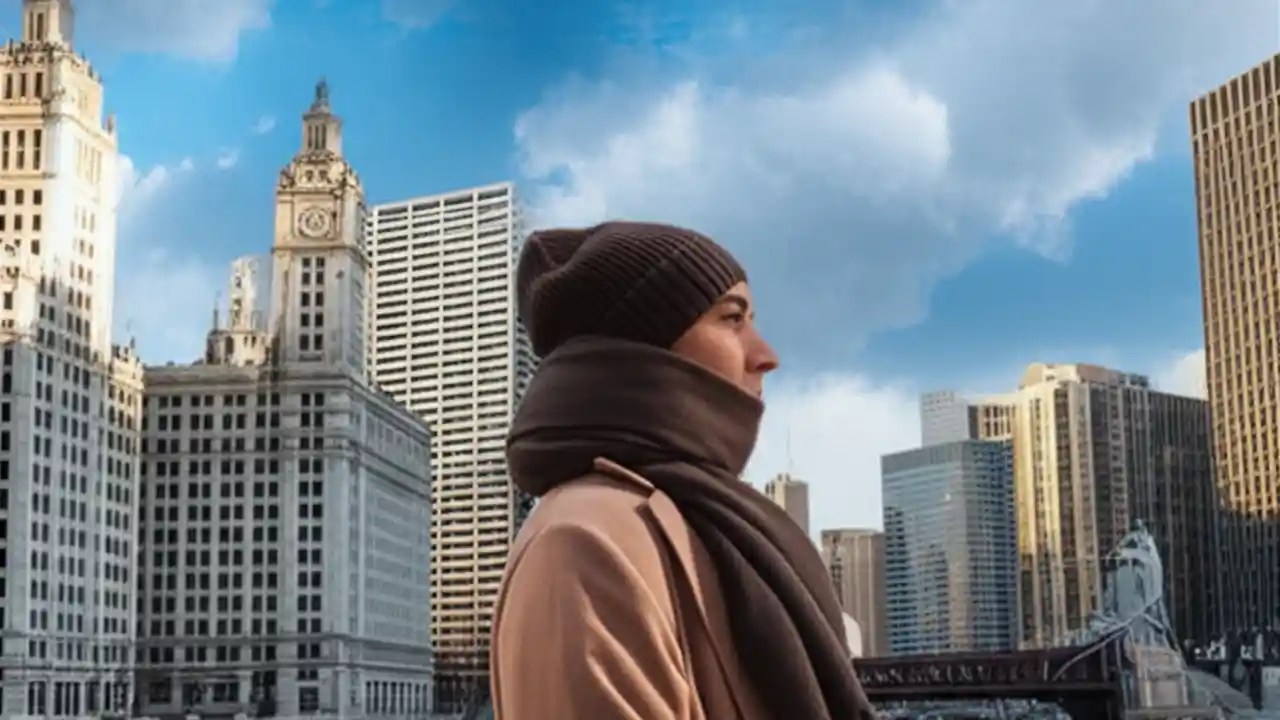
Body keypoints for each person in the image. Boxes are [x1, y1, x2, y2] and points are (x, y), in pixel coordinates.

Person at [490, 221, 877, 720]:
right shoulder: (587, 542)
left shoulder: (705, 521)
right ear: (642, 346)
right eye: (732, 319)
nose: (766, 356)